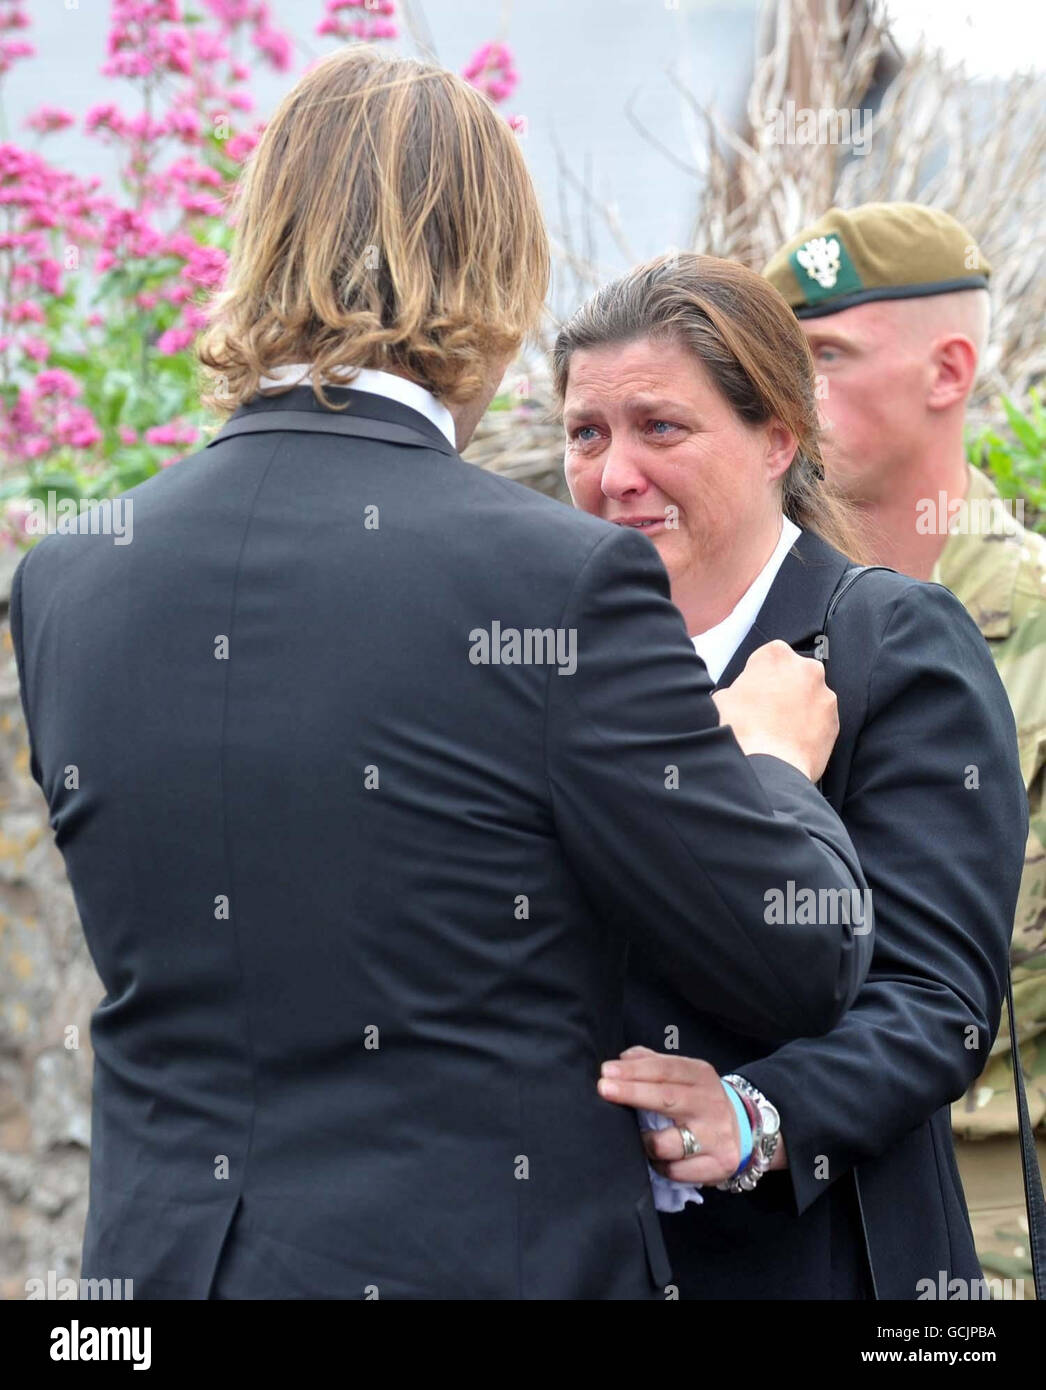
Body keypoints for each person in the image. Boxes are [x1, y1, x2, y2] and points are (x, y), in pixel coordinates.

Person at [9, 48, 870, 1301]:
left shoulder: (70, 578)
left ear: (258, 243)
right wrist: (766, 763)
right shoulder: (555, 583)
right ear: (498, 268)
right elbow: (795, 960)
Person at [554, 251, 1027, 1298]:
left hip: (815, 1258)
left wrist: (755, 1111)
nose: (613, 472)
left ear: (776, 437)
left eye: (658, 427)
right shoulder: (553, 658)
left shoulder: (890, 646)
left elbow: (934, 997)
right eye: (586, 432)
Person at [764, 203, 1046, 1296]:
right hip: (756, 1190)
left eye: (824, 356)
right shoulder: (731, 613)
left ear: (947, 371)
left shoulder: (1029, 626)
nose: (787, 389)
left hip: (984, 1201)